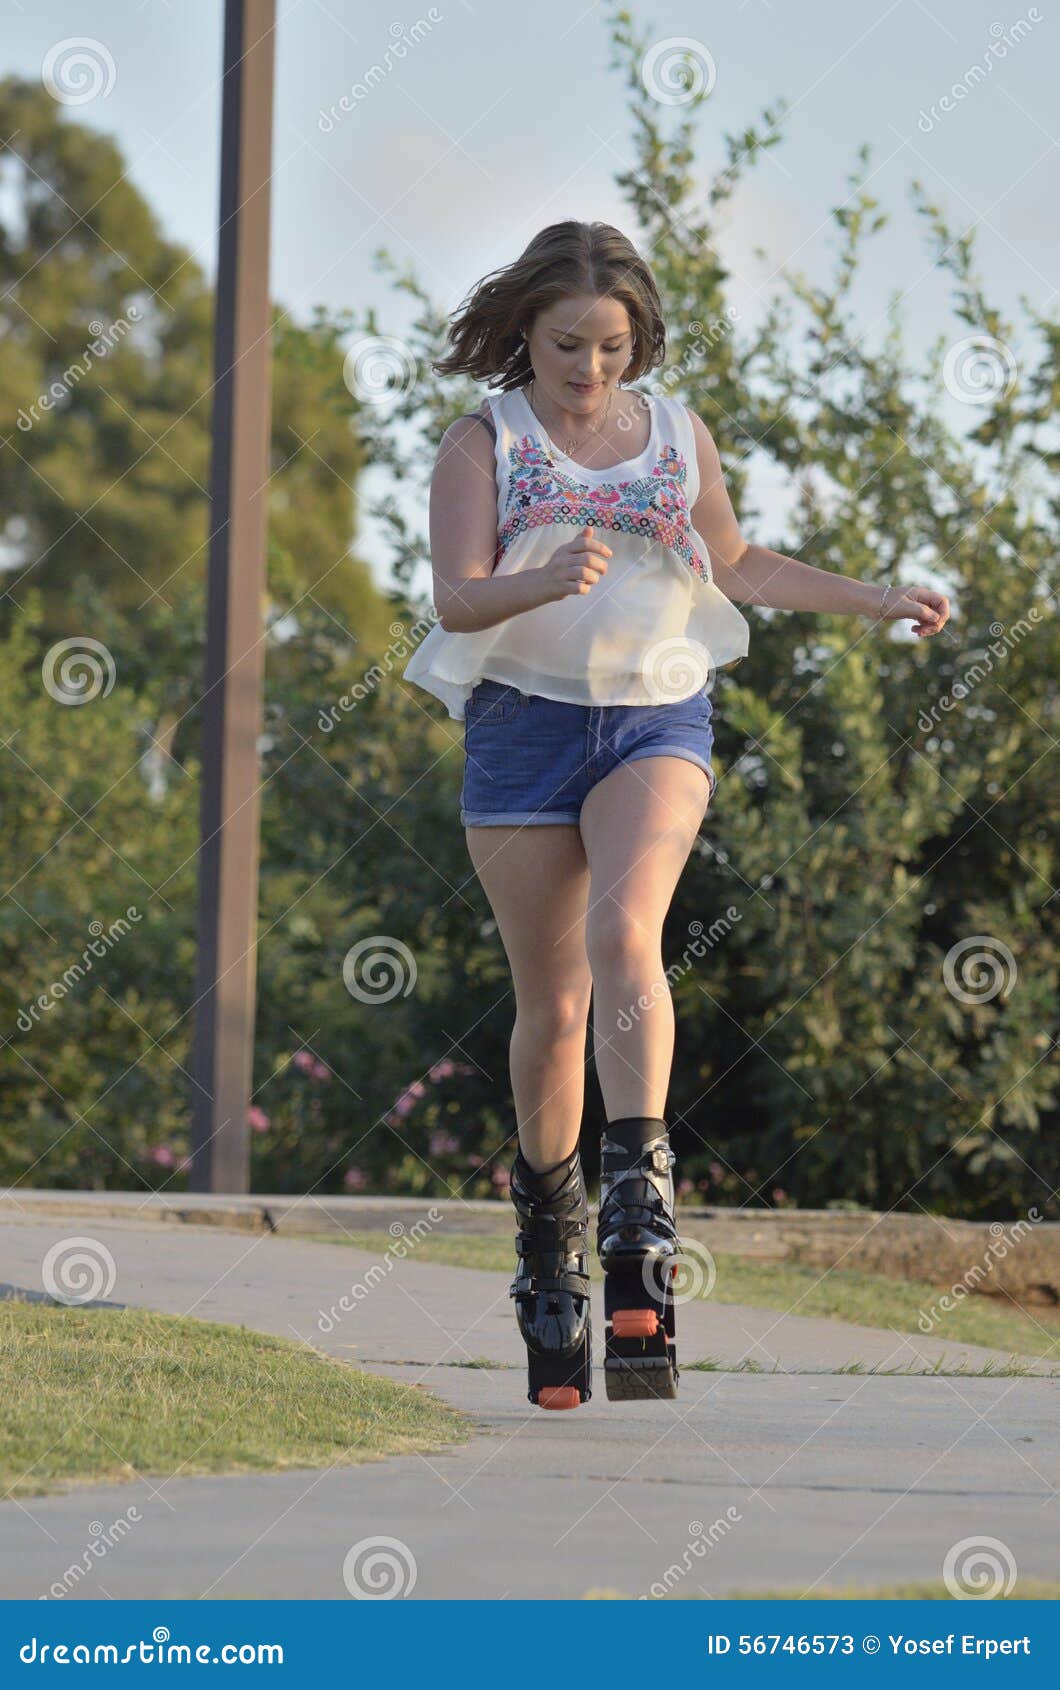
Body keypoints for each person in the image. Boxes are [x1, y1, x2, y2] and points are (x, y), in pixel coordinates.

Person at [404, 220, 949, 1407]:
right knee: (550, 1010)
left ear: (636, 338)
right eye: (563, 346)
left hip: (656, 716)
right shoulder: (480, 440)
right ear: (524, 336)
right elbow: (453, 596)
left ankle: (636, 1206)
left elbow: (738, 565)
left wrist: (876, 599)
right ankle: (548, 1237)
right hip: (520, 730)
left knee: (623, 936)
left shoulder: (674, 434)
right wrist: (537, 578)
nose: (587, 369)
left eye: (608, 346)